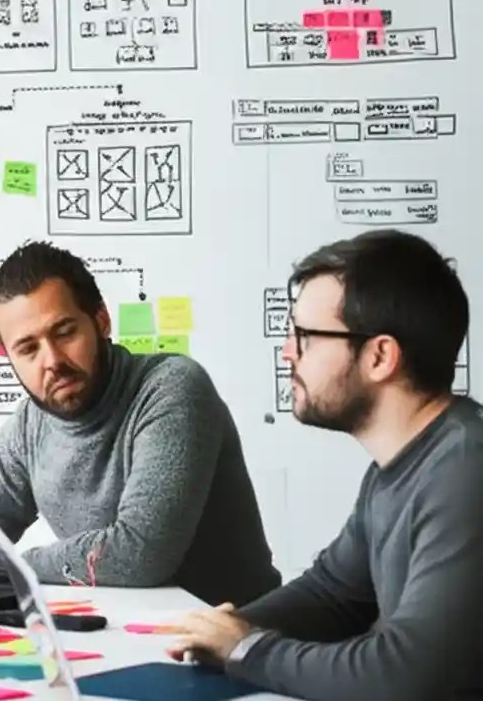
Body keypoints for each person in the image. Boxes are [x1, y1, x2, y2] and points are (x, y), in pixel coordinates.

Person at [166, 230, 483, 699]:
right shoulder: (396, 466)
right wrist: (231, 626)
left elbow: (410, 673)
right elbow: (334, 594)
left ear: (380, 356)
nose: (288, 351)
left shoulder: (465, 468)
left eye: (306, 337)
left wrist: (247, 649)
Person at [0, 241, 281, 606]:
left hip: (235, 641)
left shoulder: (172, 389)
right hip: (125, 635)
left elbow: (139, 553)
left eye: (64, 332)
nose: (52, 360)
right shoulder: (30, 425)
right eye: (28, 349)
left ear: (101, 321)